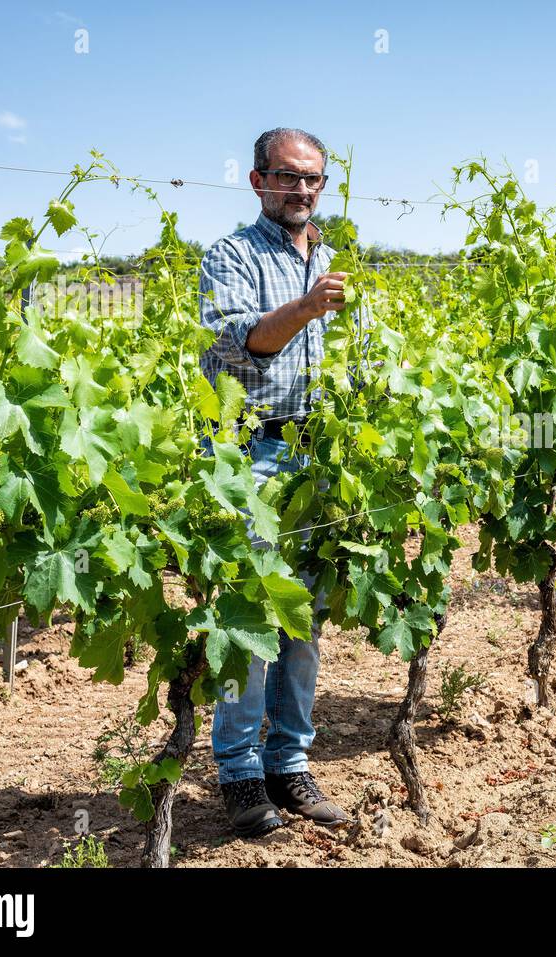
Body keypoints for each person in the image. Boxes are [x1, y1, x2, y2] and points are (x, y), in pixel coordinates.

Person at [198, 127, 351, 837]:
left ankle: (289, 765)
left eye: (314, 178)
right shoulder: (230, 256)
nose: (302, 190)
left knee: (304, 623)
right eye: (288, 177)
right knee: (250, 623)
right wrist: (309, 307)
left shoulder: (329, 258)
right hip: (250, 459)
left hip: (314, 460)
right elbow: (240, 344)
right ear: (257, 181)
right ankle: (237, 773)